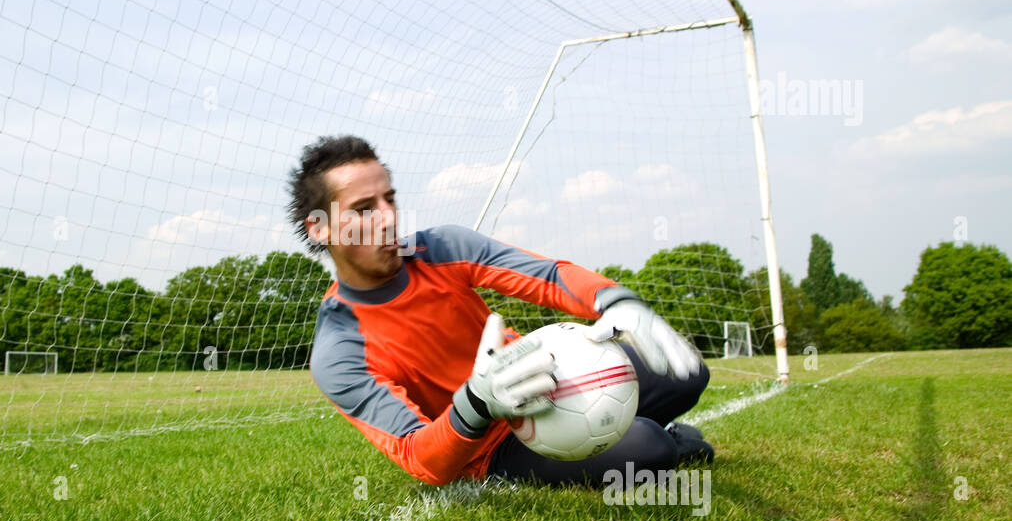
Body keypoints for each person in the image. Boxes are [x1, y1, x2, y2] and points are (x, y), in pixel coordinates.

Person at [288, 134, 713, 487]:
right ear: (320, 228)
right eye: (364, 209)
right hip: (491, 443)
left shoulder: (439, 248)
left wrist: (613, 299)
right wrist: (478, 401)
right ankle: (658, 435)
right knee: (650, 449)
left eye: (390, 199)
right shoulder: (339, 350)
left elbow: (546, 275)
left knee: (687, 370)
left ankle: (622, 419)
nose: (388, 218)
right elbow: (420, 458)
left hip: (545, 373)